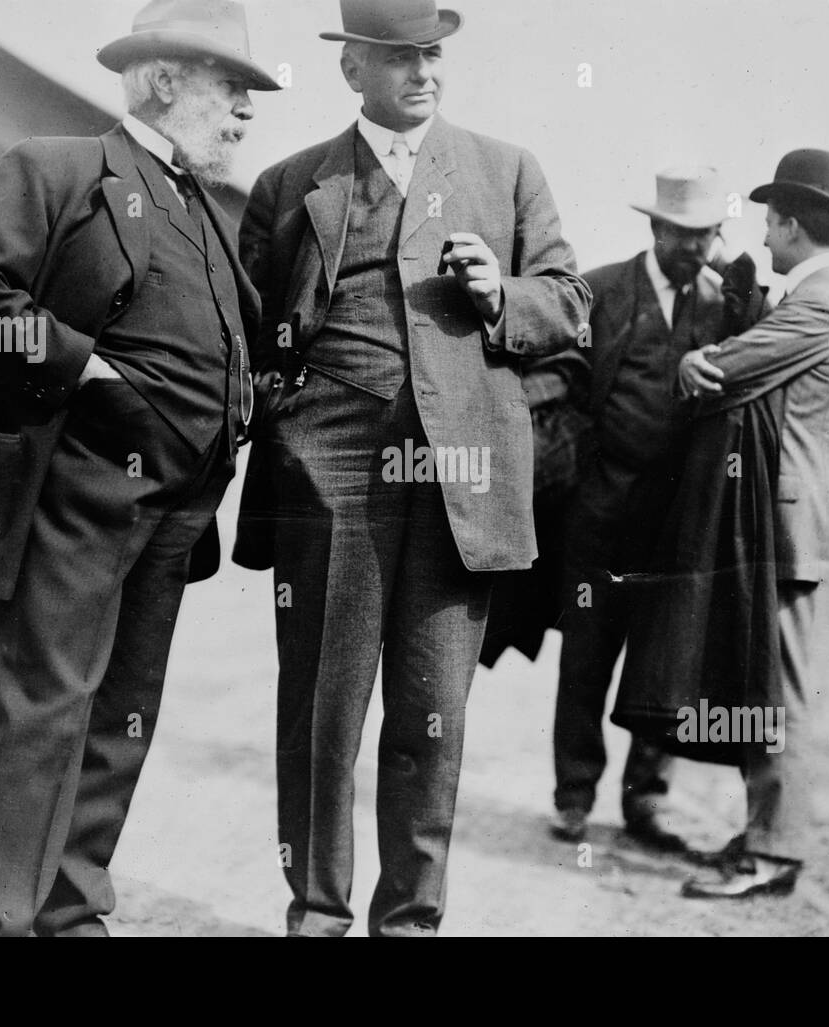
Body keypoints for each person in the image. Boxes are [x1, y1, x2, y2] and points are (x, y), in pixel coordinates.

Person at [0, 0, 278, 936]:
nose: (245, 112)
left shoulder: (207, 209)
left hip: (180, 509)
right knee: (47, 716)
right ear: (161, 79)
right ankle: (2, 920)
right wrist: (83, 364)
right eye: (230, 88)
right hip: (76, 489)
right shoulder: (55, 168)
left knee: (122, 720)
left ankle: (71, 913)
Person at [233, 0, 590, 936]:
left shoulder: (507, 172)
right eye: (398, 58)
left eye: (432, 54)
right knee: (321, 710)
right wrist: (284, 422)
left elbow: (570, 306)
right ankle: (315, 912)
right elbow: (246, 330)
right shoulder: (288, 183)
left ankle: (410, 922)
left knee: (432, 717)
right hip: (330, 473)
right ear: (352, 69)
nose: (422, 72)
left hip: (460, 474)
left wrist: (500, 292)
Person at [629, 149, 829, 899]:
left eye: (770, 222)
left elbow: (732, 368)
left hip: (790, 522)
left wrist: (702, 356)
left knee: (783, 694)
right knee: (775, 687)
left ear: (793, 223)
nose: (764, 237)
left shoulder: (820, 301)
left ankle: (771, 851)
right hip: (794, 518)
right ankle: (767, 835)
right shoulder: (828, 294)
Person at [549, 169, 731, 849]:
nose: (695, 248)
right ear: (655, 229)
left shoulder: (724, 304)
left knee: (668, 660)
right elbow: (560, 385)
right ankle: (573, 795)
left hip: (678, 526)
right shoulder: (601, 290)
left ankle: (646, 799)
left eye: (706, 235)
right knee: (586, 659)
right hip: (598, 514)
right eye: (683, 234)